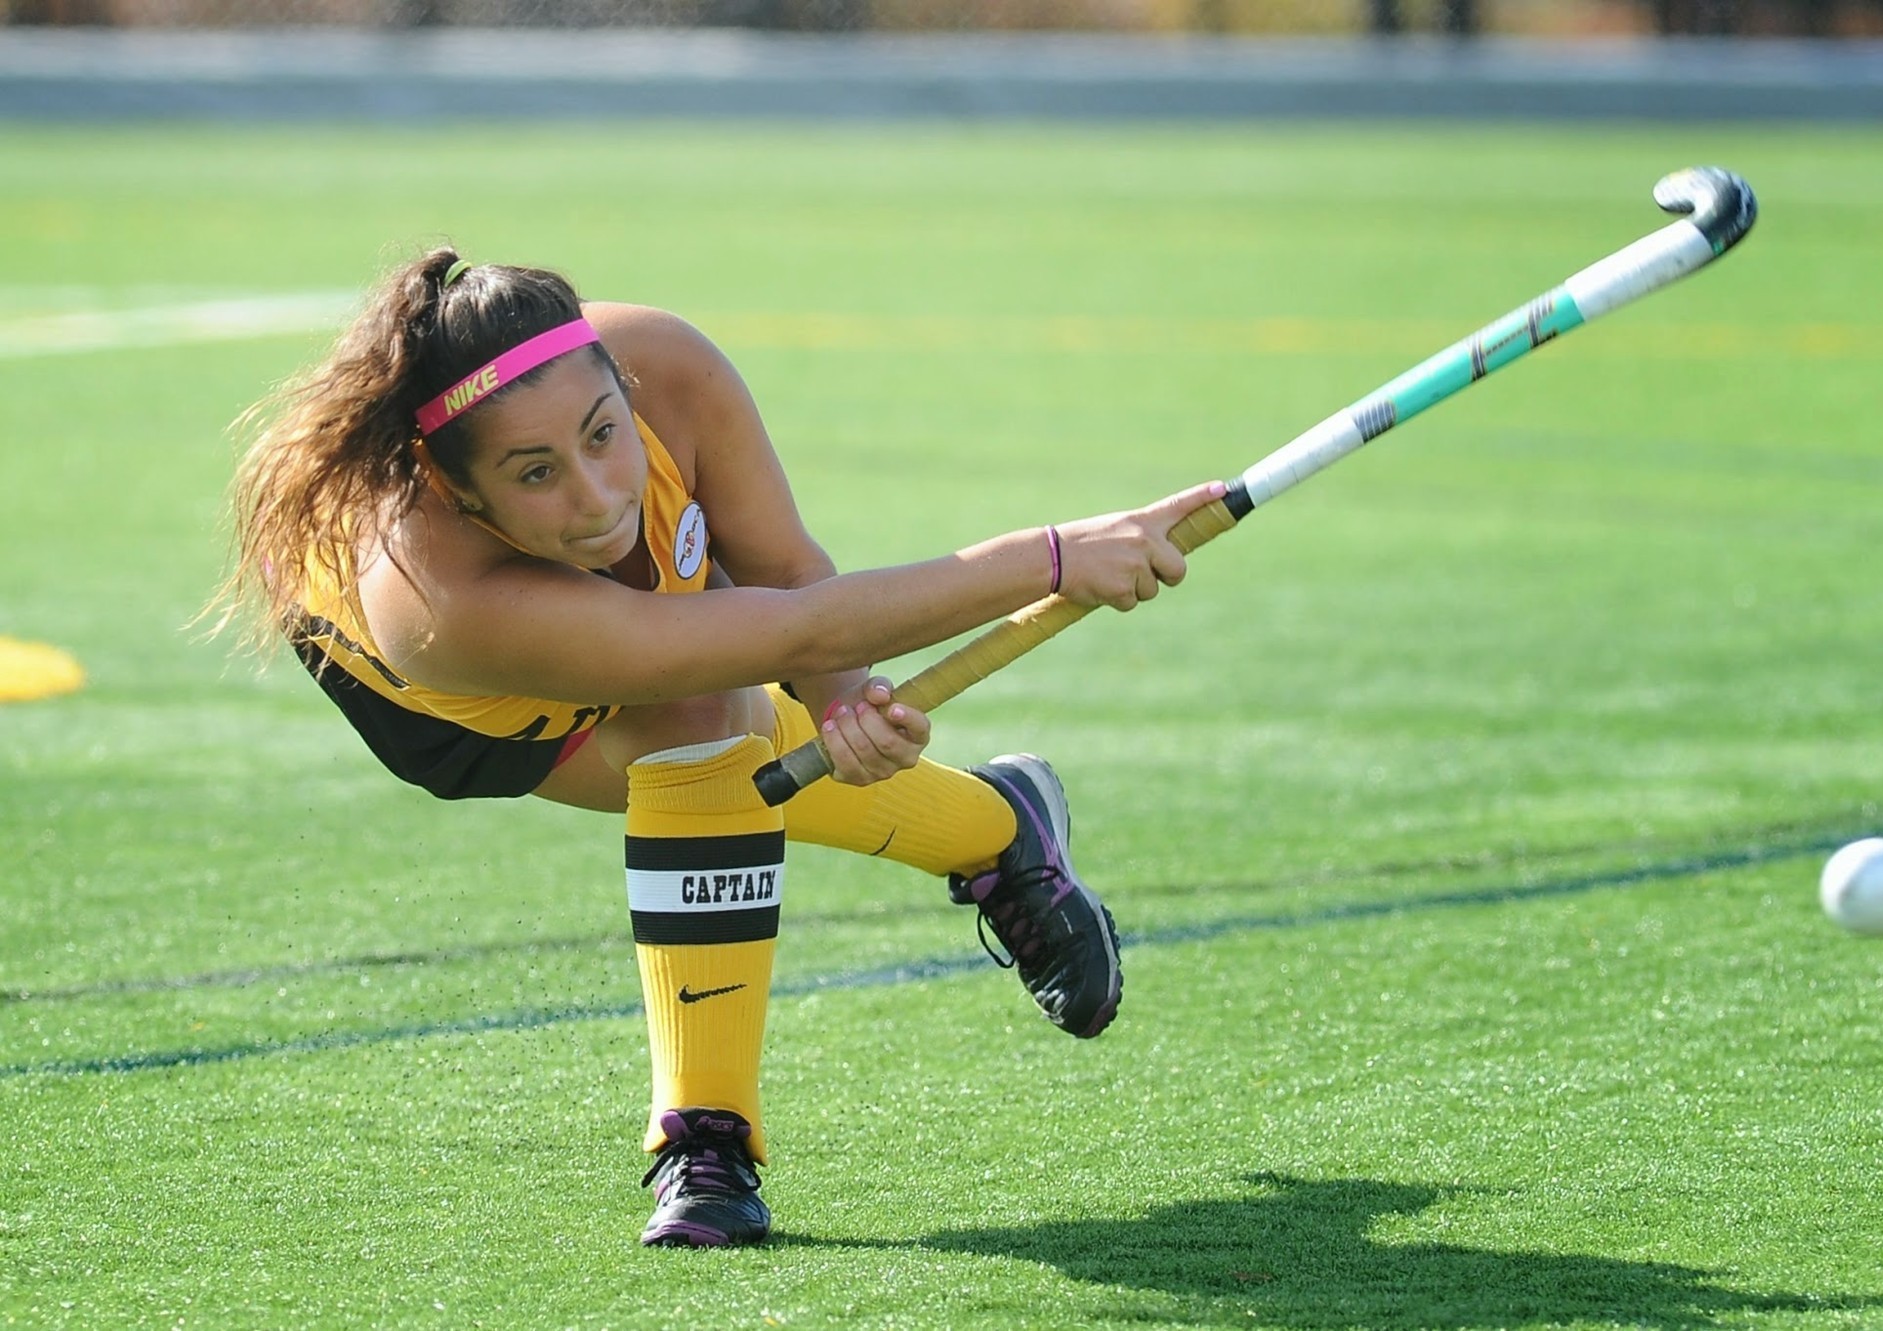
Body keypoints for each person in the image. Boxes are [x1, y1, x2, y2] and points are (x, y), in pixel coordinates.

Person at [209, 250, 1220, 1248]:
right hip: (450, 714)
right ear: (461, 492)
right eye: (535, 473)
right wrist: (1051, 557)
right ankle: (998, 828)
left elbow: (785, 575)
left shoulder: (665, 364)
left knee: (704, 716)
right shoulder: (438, 601)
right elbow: (792, 631)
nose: (597, 494)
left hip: (652, 631)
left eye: (604, 434)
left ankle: (708, 1137)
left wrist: (839, 711)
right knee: (697, 701)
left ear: (619, 381)